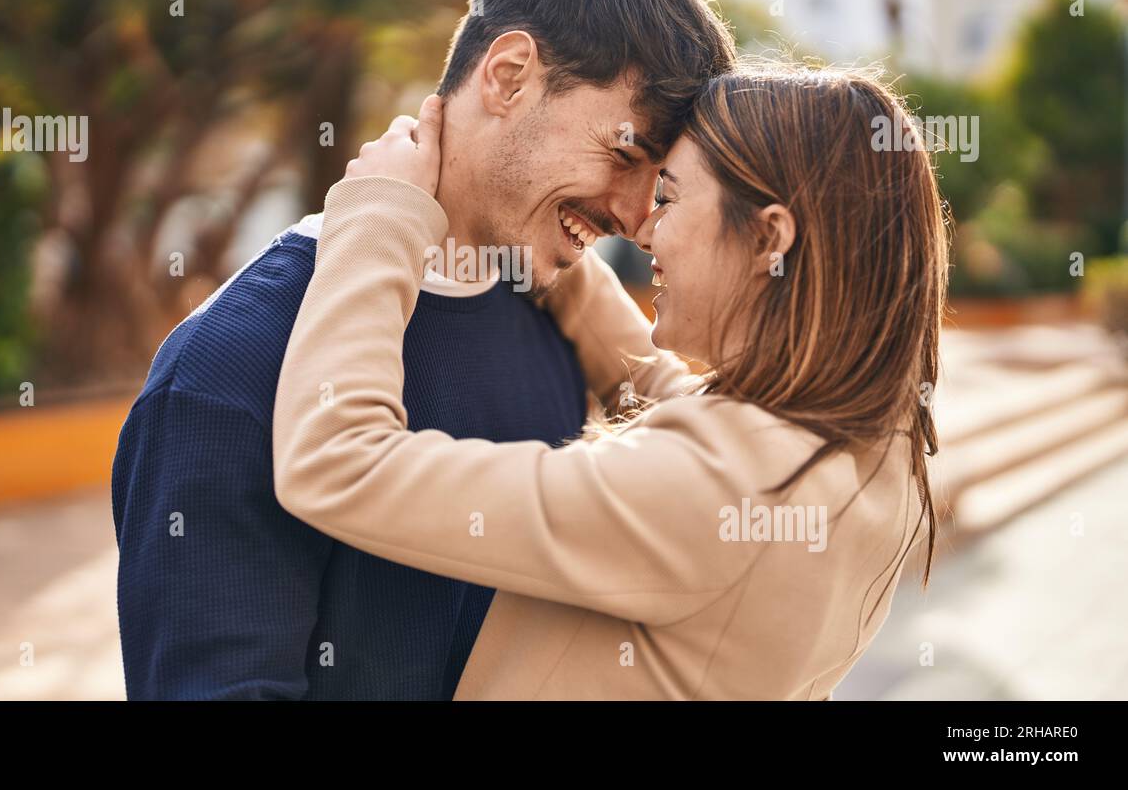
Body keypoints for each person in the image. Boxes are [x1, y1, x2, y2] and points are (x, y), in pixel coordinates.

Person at [111, 0, 735, 699]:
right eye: (626, 151)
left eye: (659, 181)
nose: (633, 213)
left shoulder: (550, 319)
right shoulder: (226, 369)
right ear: (508, 77)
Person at [272, 64, 947, 699]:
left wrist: (381, 213)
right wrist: (534, 225)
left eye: (671, 197)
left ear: (770, 238)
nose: (643, 228)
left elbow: (336, 461)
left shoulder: (715, 488)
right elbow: (657, 384)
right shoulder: (871, 453)